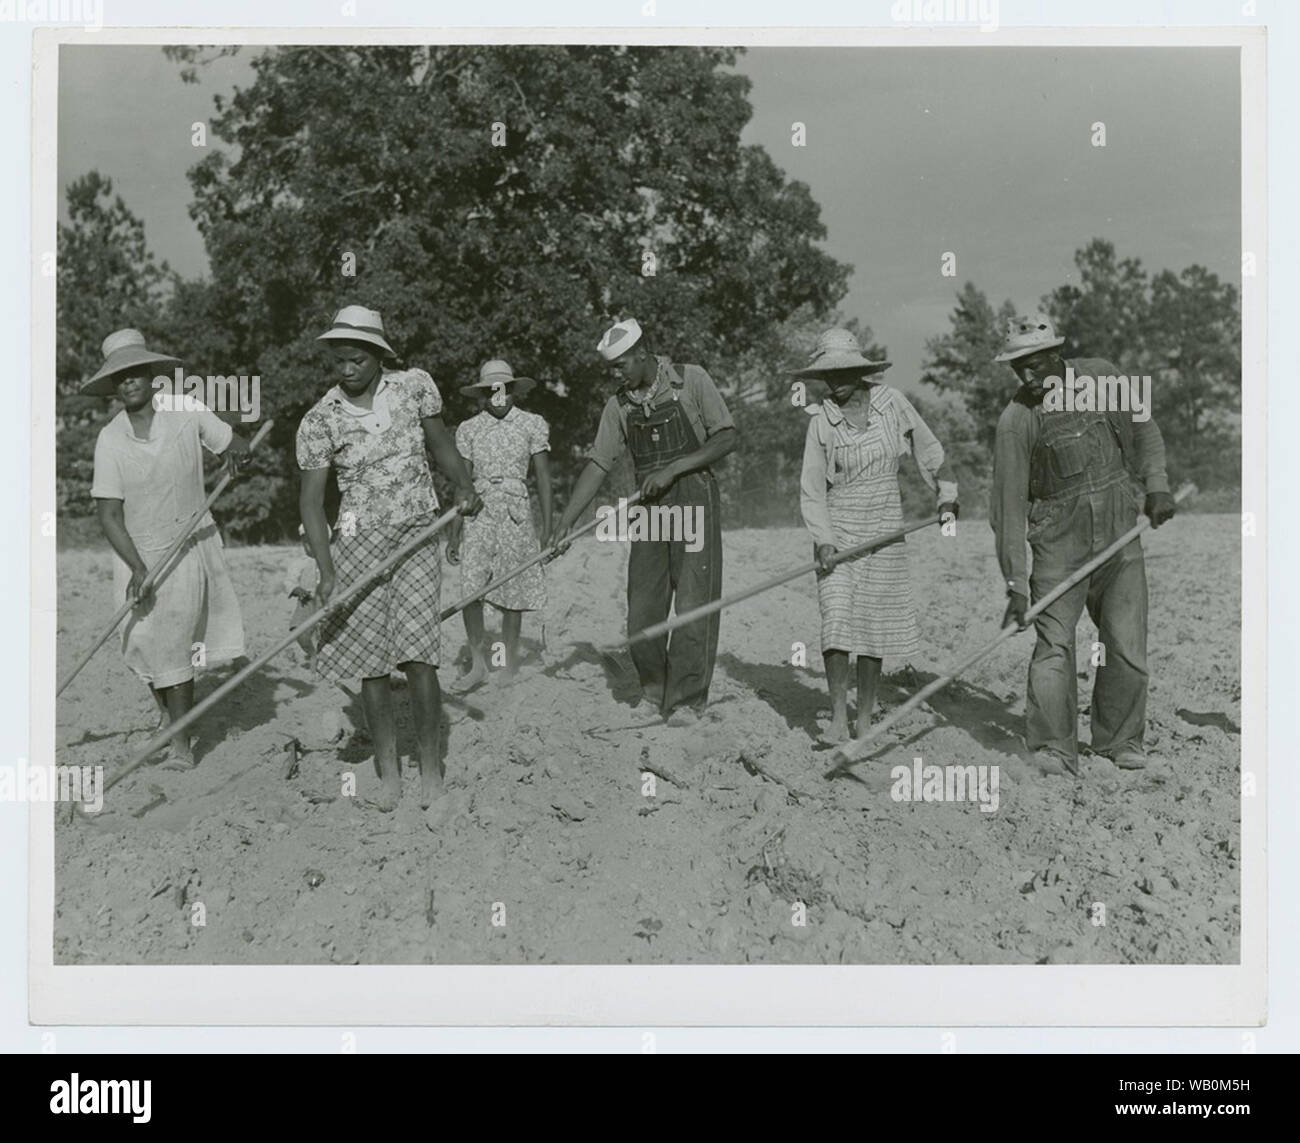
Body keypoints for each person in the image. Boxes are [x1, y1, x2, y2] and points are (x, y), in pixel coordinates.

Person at [296, 305, 480, 812]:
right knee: (371, 664)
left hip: (419, 532)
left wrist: (463, 486)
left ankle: (432, 770)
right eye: (340, 360)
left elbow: (441, 445)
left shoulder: (415, 387)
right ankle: (387, 772)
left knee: (419, 653)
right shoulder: (320, 419)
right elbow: (312, 503)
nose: (347, 368)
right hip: (357, 544)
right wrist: (328, 570)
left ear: (379, 356)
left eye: (356, 359)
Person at [988, 313, 1176, 776]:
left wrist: (1157, 485)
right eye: (1018, 367)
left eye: (1035, 363)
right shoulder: (1017, 420)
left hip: (1118, 531)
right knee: (1054, 645)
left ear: (1058, 355)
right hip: (1056, 540)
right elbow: (1007, 509)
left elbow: (1144, 428)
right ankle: (1054, 747)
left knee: (1126, 642)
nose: (1027, 374)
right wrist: (1014, 582)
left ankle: (1119, 740)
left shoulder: (1104, 377)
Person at [549, 318, 737, 726]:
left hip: (694, 500)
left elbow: (726, 436)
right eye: (613, 368)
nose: (618, 374)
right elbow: (599, 464)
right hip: (648, 509)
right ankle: (654, 691)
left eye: (622, 365)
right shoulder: (618, 406)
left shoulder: (691, 381)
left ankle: (687, 702)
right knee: (642, 610)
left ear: (643, 353)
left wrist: (676, 468)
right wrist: (565, 523)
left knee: (692, 603)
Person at [86, 328, 251, 769]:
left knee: (175, 642)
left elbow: (236, 444)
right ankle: (167, 716)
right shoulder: (111, 438)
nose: (129, 383)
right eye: (120, 378)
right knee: (138, 641)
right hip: (136, 552)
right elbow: (108, 515)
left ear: (151, 374)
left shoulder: (187, 410)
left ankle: (181, 744)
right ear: (113, 386)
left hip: (187, 542)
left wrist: (238, 454)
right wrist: (138, 568)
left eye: (135, 372)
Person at [797, 328, 959, 744]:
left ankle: (865, 719)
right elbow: (812, 489)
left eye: (844, 371)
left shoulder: (893, 404)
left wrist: (946, 496)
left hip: (886, 527)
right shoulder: (821, 422)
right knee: (836, 619)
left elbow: (929, 451)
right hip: (839, 529)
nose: (836, 382)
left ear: (861, 370)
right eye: (828, 375)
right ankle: (837, 717)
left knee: (873, 626)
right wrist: (824, 539)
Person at [447, 359, 552, 688]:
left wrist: (547, 527)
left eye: (503, 390)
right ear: (481, 395)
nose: (497, 397)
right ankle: (479, 664)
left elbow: (544, 478)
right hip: (477, 512)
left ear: (512, 391)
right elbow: (461, 482)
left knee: (511, 589)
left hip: (515, 511)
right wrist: (454, 533)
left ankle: (506, 665)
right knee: (471, 588)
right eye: (490, 391)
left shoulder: (532, 424)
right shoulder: (469, 429)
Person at [285, 525, 322, 668]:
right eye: (308, 543)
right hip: (307, 602)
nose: (312, 547)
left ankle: (324, 657)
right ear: (302, 543)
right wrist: (296, 589)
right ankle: (312, 653)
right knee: (298, 631)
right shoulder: (299, 563)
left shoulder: (331, 559)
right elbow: (289, 580)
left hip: (325, 601)